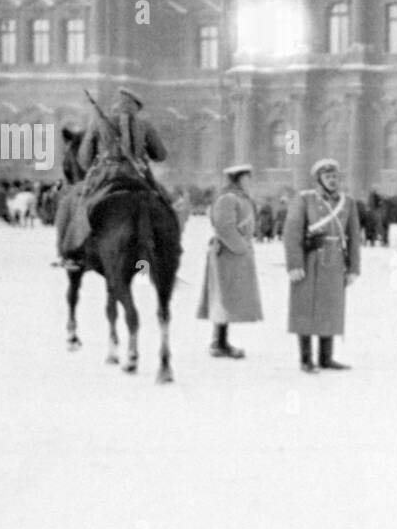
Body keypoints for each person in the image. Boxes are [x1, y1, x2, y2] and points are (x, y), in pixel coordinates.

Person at [56, 87, 171, 270]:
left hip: (105, 175)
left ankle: (73, 254)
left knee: (80, 206)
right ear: (136, 107)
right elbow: (161, 155)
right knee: (162, 204)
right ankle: (163, 252)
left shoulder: (99, 123)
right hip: (137, 175)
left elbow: (84, 161)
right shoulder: (145, 125)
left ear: (116, 104)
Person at [283, 158, 361, 372]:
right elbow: (292, 233)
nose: (332, 180)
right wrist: (294, 264)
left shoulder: (348, 202)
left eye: (335, 176)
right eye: (327, 177)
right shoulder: (304, 199)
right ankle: (306, 359)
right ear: (318, 179)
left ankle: (326, 358)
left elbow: (354, 237)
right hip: (310, 261)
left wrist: (353, 268)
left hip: (335, 262)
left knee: (330, 308)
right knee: (305, 309)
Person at [196, 165, 263, 359]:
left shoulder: (240, 198)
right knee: (223, 299)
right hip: (227, 254)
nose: (250, 182)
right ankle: (218, 343)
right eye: (246, 178)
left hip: (235, 255)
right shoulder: (228, 198)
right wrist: (242, 247)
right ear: (238, 179)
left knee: (229, 299)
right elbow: (224, 227)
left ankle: (222, 341)